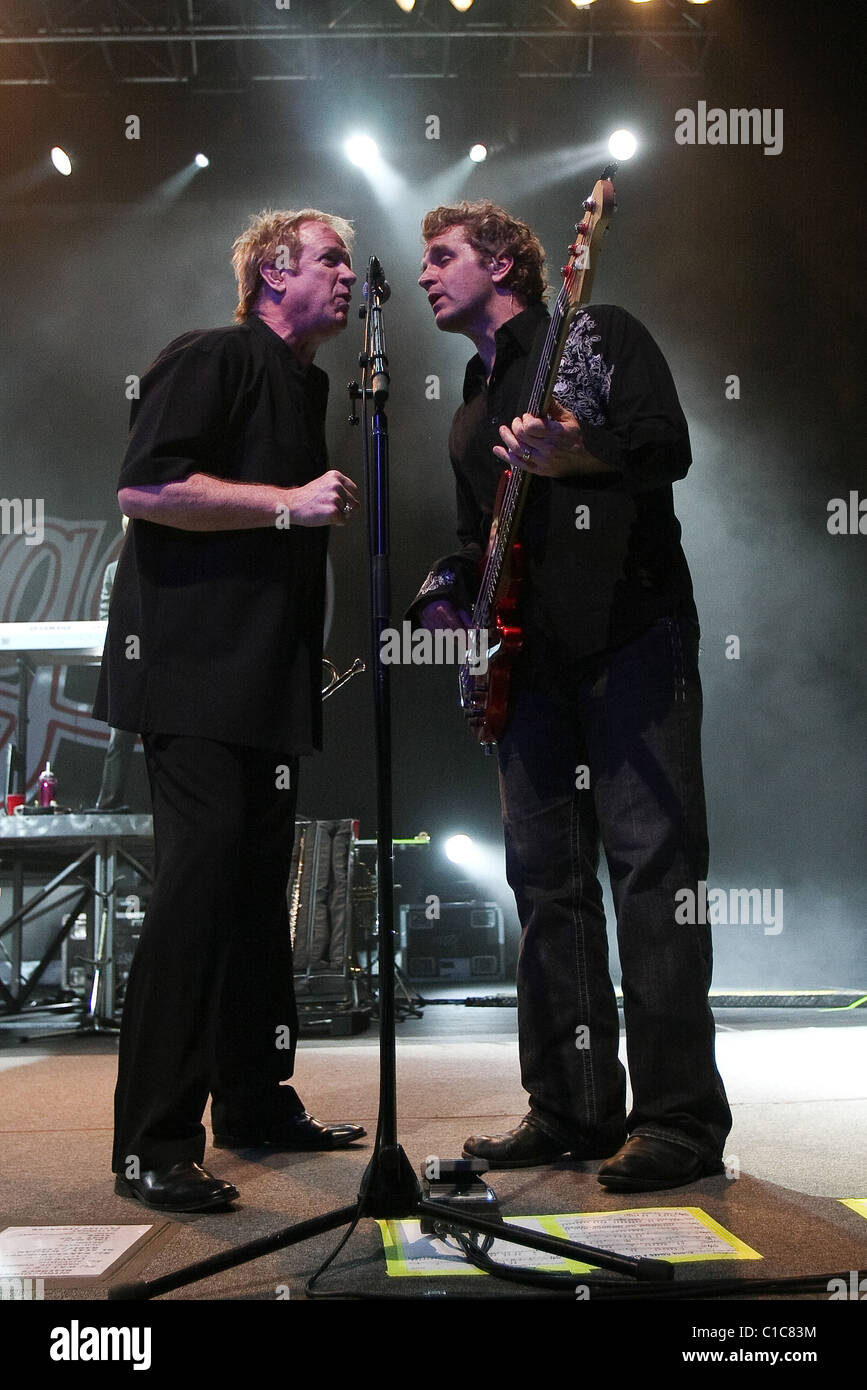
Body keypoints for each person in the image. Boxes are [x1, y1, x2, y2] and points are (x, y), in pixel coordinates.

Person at [411, 200, 731, 1192]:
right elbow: (481, 541)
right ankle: (573, 1104)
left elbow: (663, 444)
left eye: (442, 255)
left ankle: (677, 1121)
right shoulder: (470, 404)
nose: (424, 274)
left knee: (651, 871)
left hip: (632, 642)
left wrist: (574, 453)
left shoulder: (596, 335)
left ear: (505, 259)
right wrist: (445, 592)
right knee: (546, 889)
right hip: (531, 668)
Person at [93, 209, 366, 1212]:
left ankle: (254, 1100)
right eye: (333, 257)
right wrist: (284, 503)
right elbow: (145, 486)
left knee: (256, 902)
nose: (348, 275)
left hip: (264, 686)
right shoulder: (212, 354)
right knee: (199, 893)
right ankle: (151, 1141)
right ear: (273, 271)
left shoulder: (309, 383)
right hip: (193, 677)